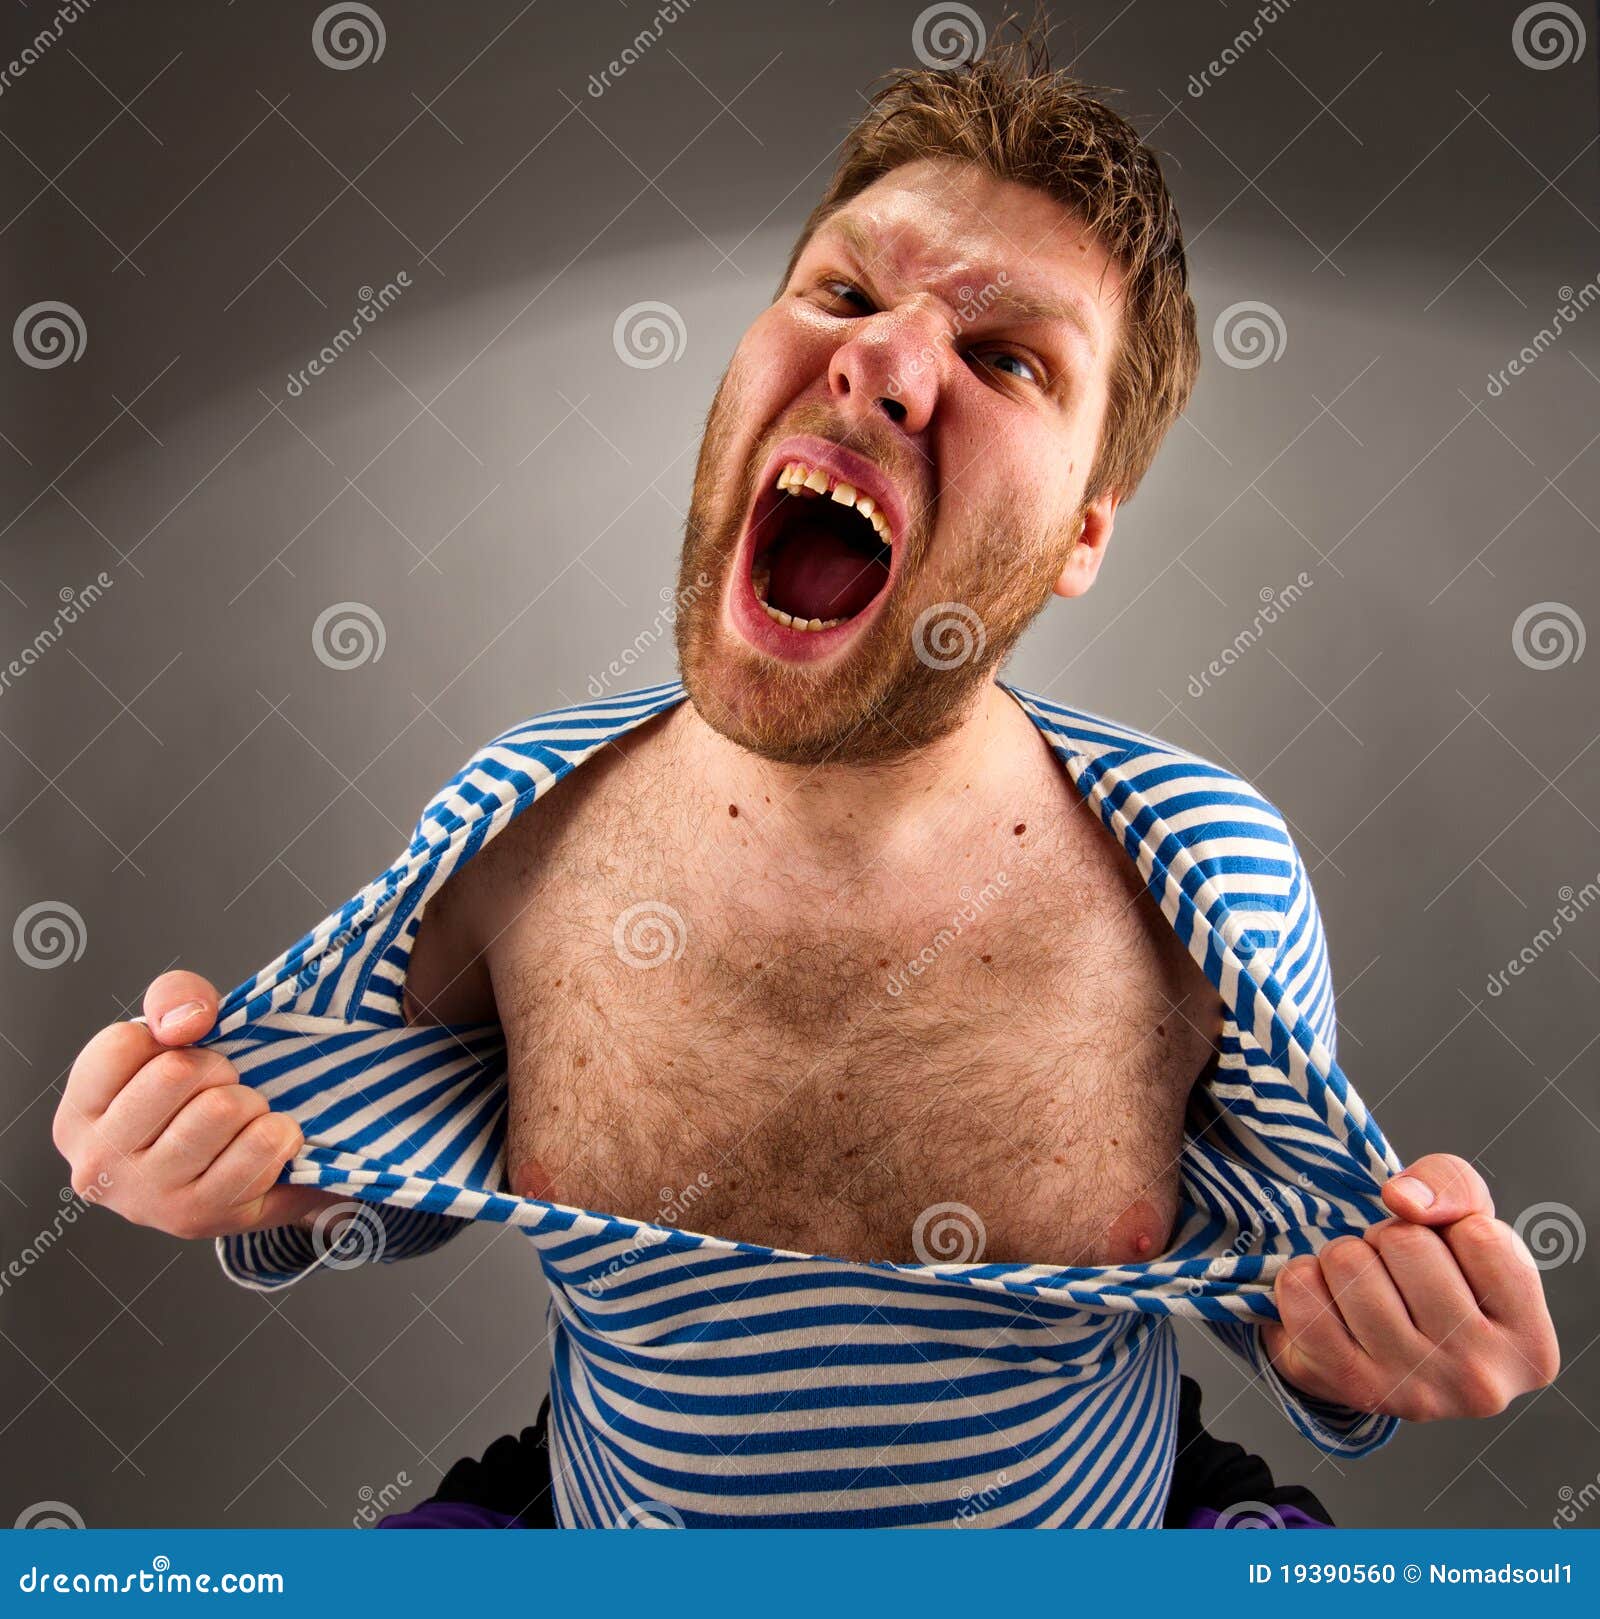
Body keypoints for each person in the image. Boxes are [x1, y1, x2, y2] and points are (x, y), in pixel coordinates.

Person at [52, 22, 1557, 1527]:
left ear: (1086, 531)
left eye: (1005, 356)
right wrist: (214, 1160)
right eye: (843, 291)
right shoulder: (518, 826)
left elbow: (1291, 1289)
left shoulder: (1203, 872)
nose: (885, 360)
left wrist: (1365, 1350)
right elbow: (340, 1146)